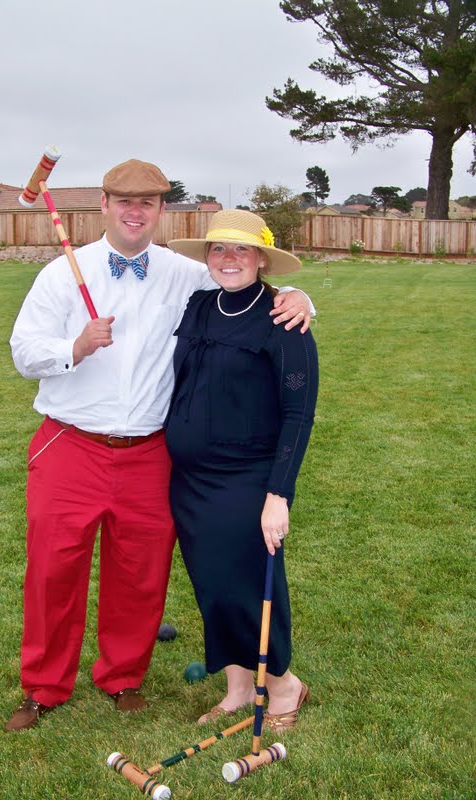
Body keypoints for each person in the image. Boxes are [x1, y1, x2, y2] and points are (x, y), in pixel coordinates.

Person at [5, 160, 313, 731]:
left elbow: (244, 286)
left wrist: (298, 296)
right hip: (71, 443)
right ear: (103, 205)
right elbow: (23, 352)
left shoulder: (181, 272)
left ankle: (122, 677)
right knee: (53, 570)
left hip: (150, 451)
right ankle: (44, 686)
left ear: (160, 211)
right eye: (123, 200)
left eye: (146, 202)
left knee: (139, 572)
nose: (134, 211)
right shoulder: (60, 273)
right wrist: (73, 347)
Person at [165, 209, 318, 731]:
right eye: (218, 250)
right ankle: (235, 686)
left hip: (245, 479)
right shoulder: (200, 304)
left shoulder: (283, 318)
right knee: (212, 583)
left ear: (260, 259)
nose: (228, 260)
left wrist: (279, 494)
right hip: (189, 481)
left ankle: (283, 687)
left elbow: (299, 413)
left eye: (241, 250)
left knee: (249, 584)